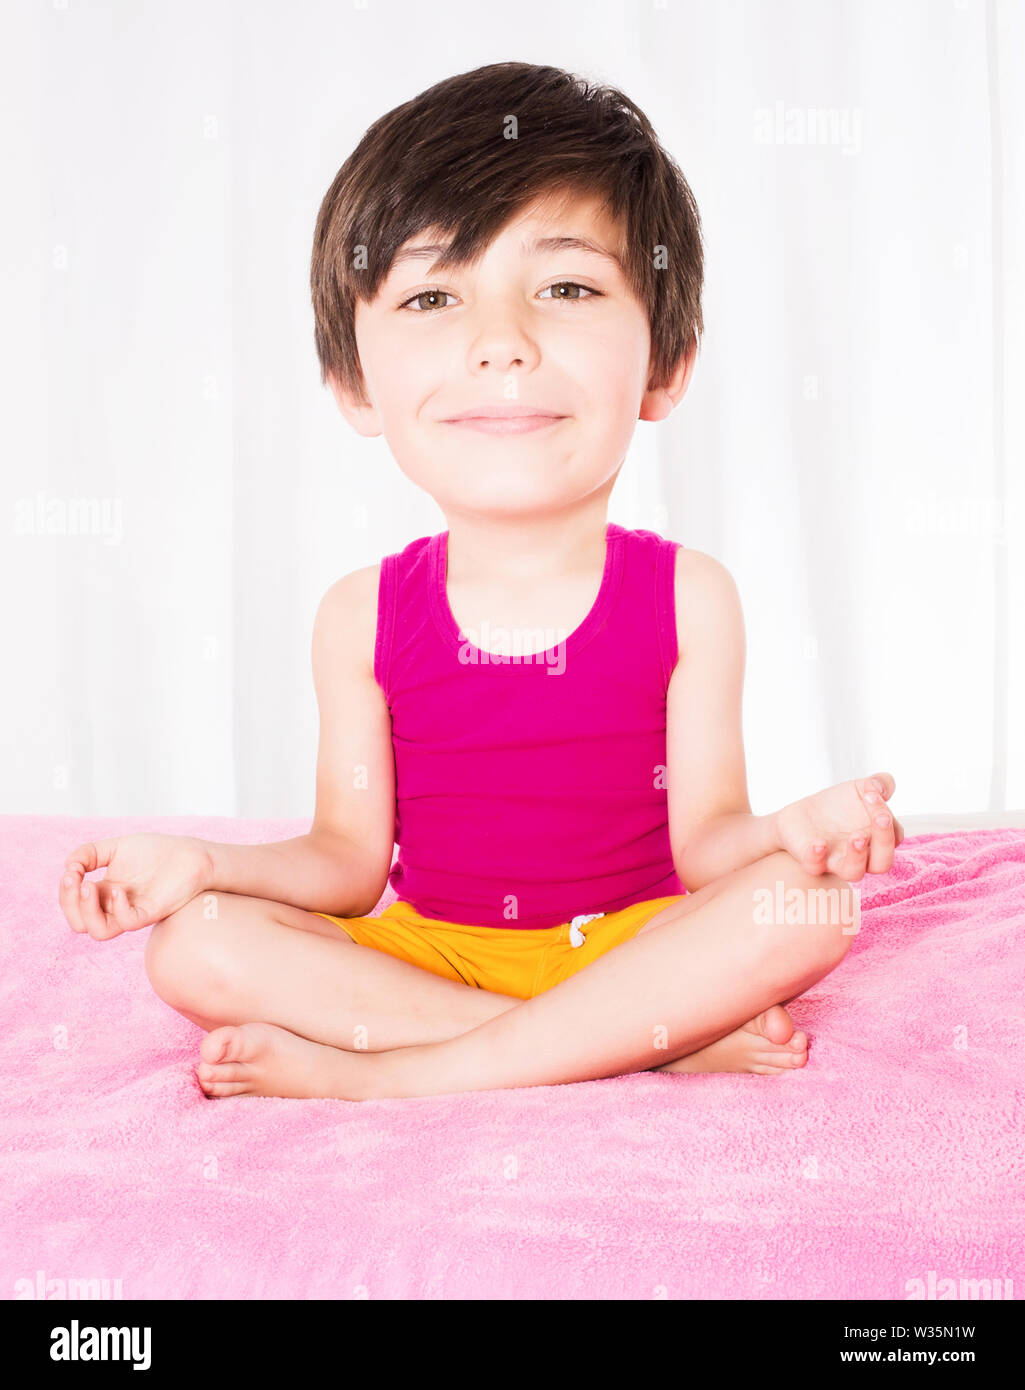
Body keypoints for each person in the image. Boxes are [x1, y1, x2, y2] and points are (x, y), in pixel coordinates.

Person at [58, 62, 902, 1101]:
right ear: (354, 383)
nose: (500, 343)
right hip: (438, 956)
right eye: (431, 296)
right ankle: (632, 1044)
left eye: (565, 287)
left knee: (812, 906)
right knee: (193, 946)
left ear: (665, 361)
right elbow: (342, 861)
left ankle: (414, 1073)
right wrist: (203, 864)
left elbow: (707, 842)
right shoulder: (360, 616)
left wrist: (788, 834)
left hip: (634, 945)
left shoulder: (688, 596)